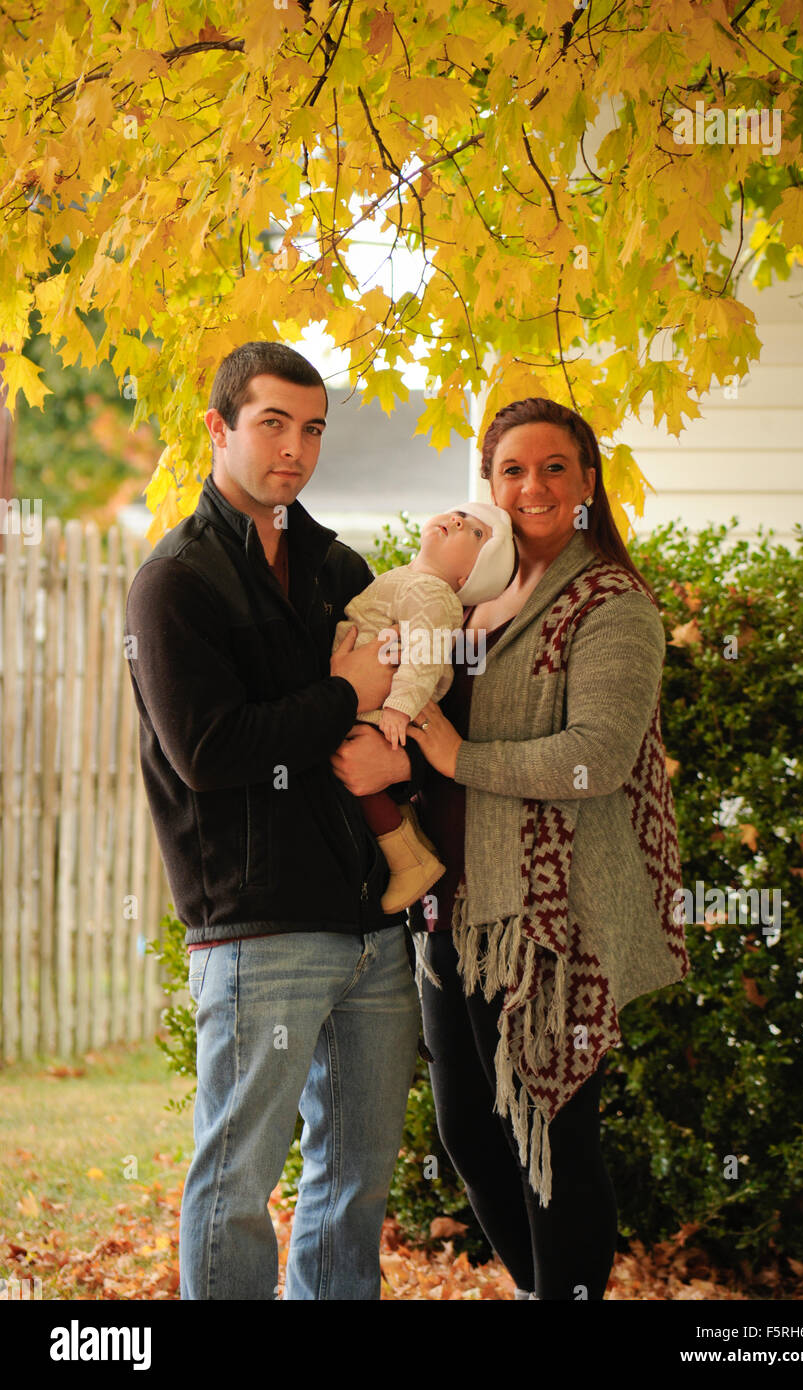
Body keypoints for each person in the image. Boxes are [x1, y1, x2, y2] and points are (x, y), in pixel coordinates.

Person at [332, 396, 690, 1302]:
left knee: (551, 1135)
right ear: (487, 485)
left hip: (548, 916)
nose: (531, 486)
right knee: (469, 1129)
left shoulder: (610, 603)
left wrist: (452, 752)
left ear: (586, 484)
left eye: (553, 468)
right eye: (511, 470)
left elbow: (595, 761)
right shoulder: (476, 599)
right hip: (453, 901)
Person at [124, 340, 423, 1300]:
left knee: (352, 1185)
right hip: (259, 927)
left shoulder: (339, 566)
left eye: (312, 429)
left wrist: (394, 752)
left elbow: (391, 708)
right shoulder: (175, 582)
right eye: (271, 425)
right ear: (219, 428)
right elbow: (210, 755)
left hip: (373, 925)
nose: (294, 449)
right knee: (237, 1184)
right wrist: (340, 695)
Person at [333, 503, 515, 911]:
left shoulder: (434, 595)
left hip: (386, 701)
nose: (458, 521)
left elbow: (424, 655)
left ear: (467, 577)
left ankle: (409, 861)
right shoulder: (413, 580)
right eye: (459, 515)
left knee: (353, 766)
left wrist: (399, 706)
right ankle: (407, 835)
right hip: (372, 690)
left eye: (476, 533)